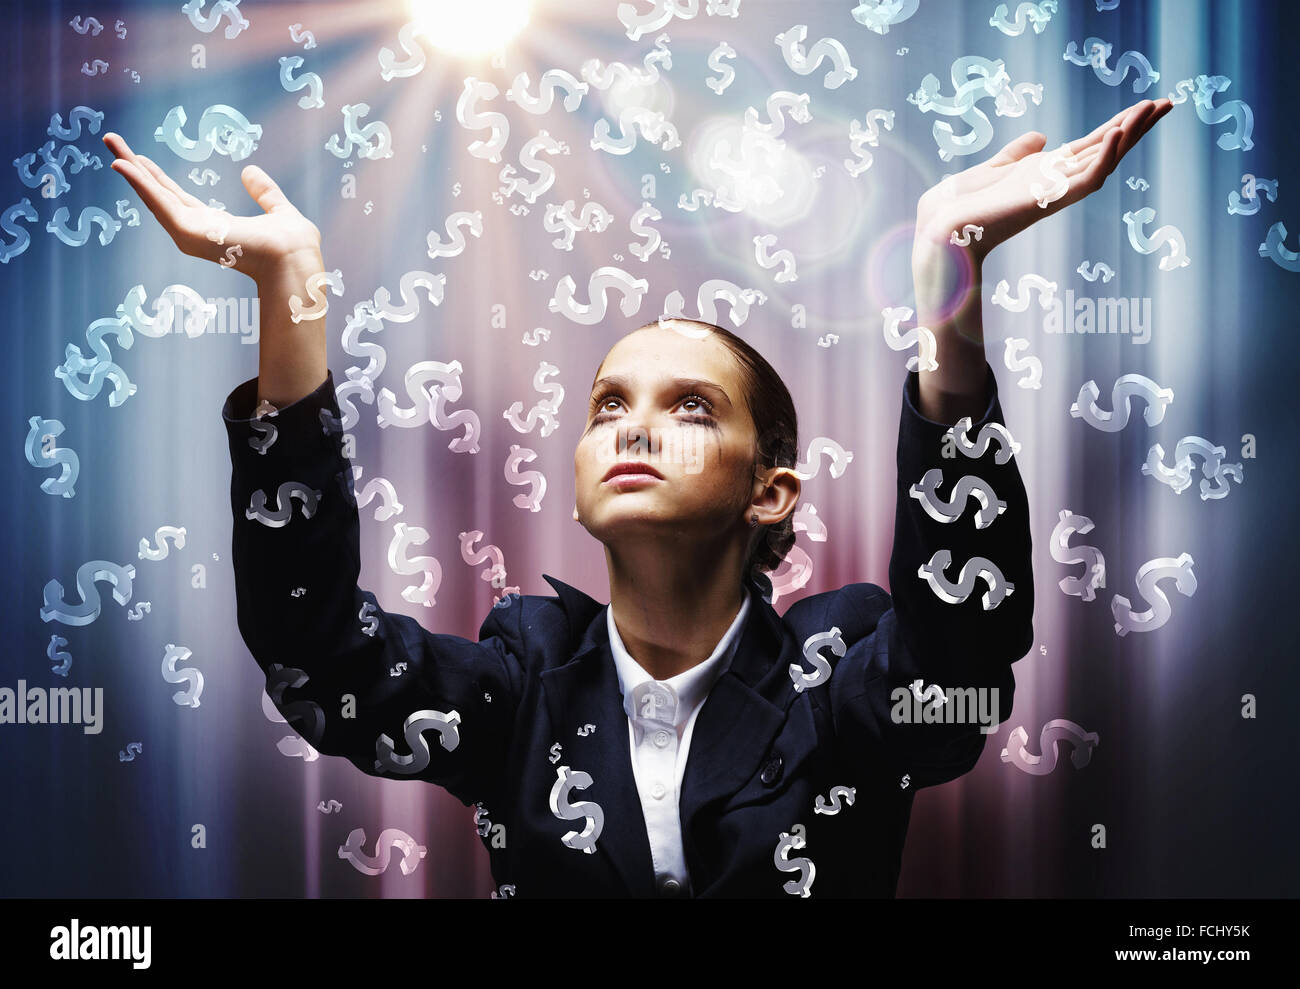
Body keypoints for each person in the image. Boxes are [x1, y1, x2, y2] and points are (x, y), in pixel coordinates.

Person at [102, 97, 1172, 898]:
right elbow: (320, 656)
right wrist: (291, 295)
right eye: (608, 401)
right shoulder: (519, 684)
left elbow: (963, 669)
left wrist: (950, 292)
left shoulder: (837, 680)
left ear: (771, 491)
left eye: (693, 406)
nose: (633, 424)